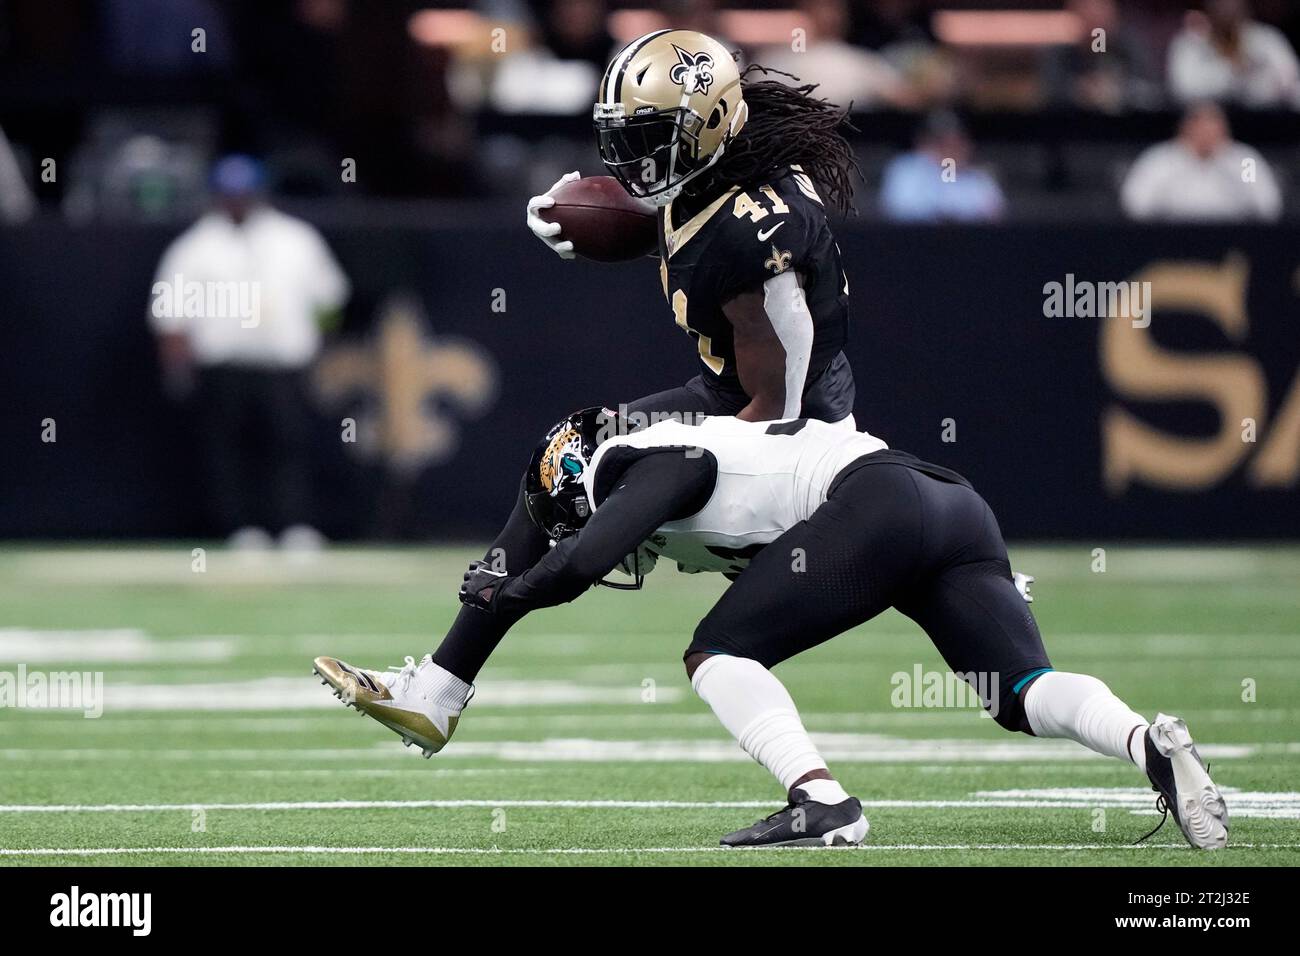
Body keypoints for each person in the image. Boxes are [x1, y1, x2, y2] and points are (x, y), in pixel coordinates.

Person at [315, 409, 1229, 851]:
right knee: (1021, 696)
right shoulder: (675, 443)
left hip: (875, 506)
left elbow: (584, 563)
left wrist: (498, 592)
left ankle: (822, 799)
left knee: (717, 650)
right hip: (945, 503)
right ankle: (1151, 744)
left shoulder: (653, 461)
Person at [422, 29, 864, 694]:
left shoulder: (756, 240)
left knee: (575, 471)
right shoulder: (728, 164)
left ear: (707, 124)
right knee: (561, 455)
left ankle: (901, 553)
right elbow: (686, 219)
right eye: (624, 134)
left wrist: (649, 491)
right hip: (732, 392)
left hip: (790, 430)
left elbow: (777, 412)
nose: (632, 158)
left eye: (649, 134)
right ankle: (438, 687)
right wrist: (609, 223)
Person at [150, 154, 350, 549]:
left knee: (289, 444)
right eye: (229, 195)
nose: (237, 202)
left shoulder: (296, 239)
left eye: (244, 194)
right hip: (223, 366)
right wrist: (177, 366)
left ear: (260, 194)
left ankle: (294, 526)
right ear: (217, 197)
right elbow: (170, 314)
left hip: (285, 365)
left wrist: (324, 351)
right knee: (227, 449)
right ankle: (239, 528)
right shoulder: (194, 248)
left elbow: (329, 300)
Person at [1120, 101, 1281, 221]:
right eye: (1200, 126)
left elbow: (1266, 204)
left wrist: (1225, 162)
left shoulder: (1244, 160)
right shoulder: (1162, 159)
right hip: (1171, 237)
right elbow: (1135, 204)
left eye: (1213, 127)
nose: (1206, 134)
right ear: (1185, 128)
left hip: (1234, 236)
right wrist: (1184, 160)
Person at [1167, 0, 1300, 108]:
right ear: (1208, 7)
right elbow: (1182, 89)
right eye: (1220, 3)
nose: (1227, 8)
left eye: (1233, 3)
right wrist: (1231, 73)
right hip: (1209, 123)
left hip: (1264, 120)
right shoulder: (1190, 42)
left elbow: (1290, 83)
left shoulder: (1267, 39)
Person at [879, 110, 1005, 222]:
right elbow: (898, 210)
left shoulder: (978, 177)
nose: (950, 148)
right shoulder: (905, 169)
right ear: (923, 142)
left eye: (956, 141)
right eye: (940, 142)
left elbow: (995, 216)